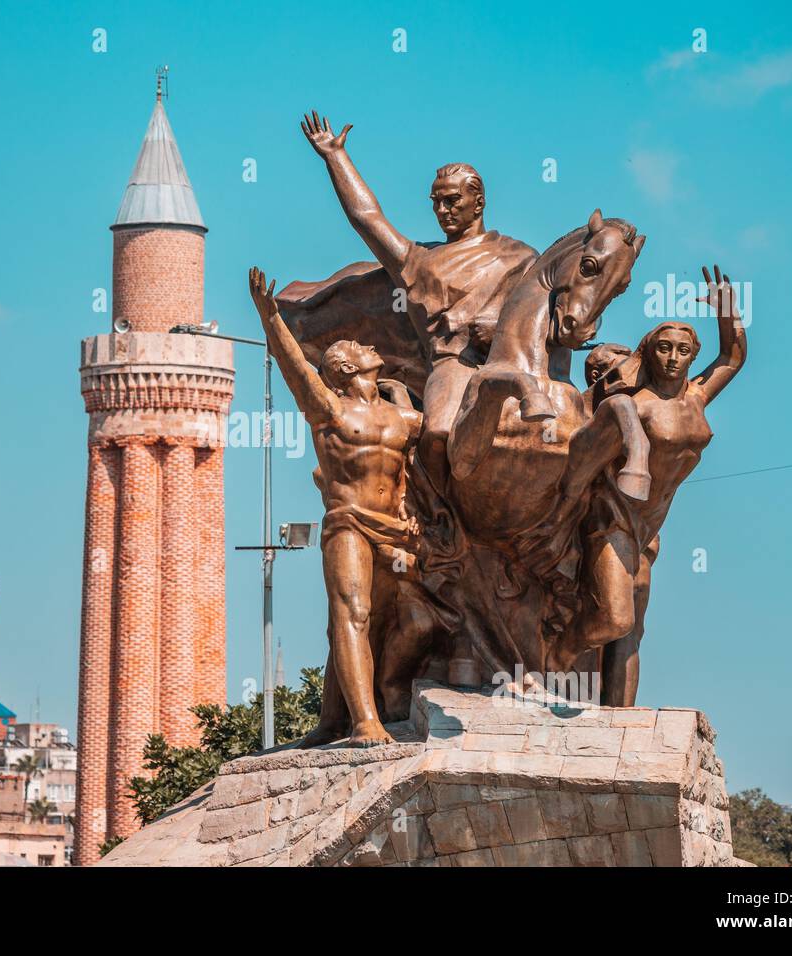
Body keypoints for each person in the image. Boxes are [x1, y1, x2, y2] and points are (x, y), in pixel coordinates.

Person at [297, 111, 535, 491]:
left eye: (453, 200)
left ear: (479, 200)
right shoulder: (417, 261)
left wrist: (500, 328)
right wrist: (335, 156)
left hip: (514, 364)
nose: (443, 210)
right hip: (453, 366)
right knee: (439, 430)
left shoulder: (520, 257)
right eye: (436, 202)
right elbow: (368, 218)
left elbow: (547, 318)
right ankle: (437, 514)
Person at [546, 266, 747, 686]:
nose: (673, 358)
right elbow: (580, 455)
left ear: (693, 356)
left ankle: (620, 726)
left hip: (649, 527)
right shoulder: (631, 404)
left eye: (682, 350)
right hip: (612, 517)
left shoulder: (696, 396)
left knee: (632, 633)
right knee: (615, 620)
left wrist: (728, 313)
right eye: (664, 349)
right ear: (648, 352)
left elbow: (732, 357)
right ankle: (553, 656)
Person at [249, 267, 422, 747]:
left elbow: (456, 435)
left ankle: (332, 719)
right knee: (354, 612)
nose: (371, 347)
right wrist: (270, 320)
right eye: (360, 348)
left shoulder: (402, 417)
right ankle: (365, 722)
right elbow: (295, 370)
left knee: (391, 622)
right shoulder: (330, 410)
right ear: (345, 368)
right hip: (348, 523)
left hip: (398, 530)